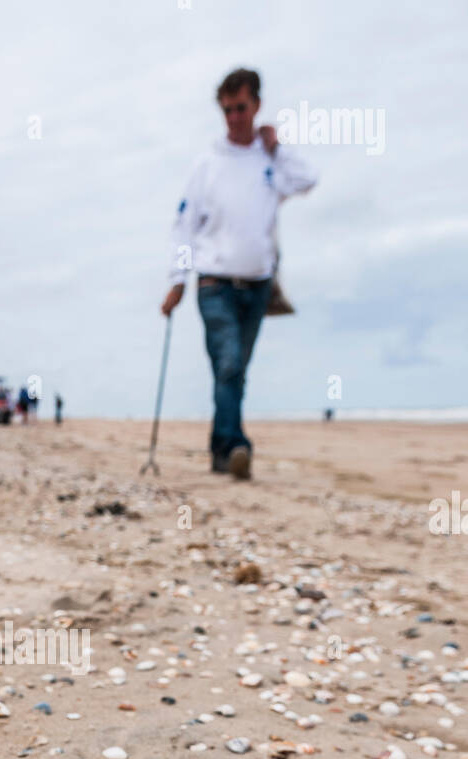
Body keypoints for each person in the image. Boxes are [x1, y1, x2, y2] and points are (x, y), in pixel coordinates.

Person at [161, 68, 317, 480]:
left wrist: (278, 146)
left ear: (257, 106)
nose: (233, 117)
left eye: (241, 108)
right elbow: (184, 225)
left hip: (259, 285)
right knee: (229, 363)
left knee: (235, 371)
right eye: (227, 110)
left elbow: (307, 180)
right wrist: (177, 279)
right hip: (214, 283)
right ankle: (236, 445)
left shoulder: (268, 161)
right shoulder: (207, 164)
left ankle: (220, 447)